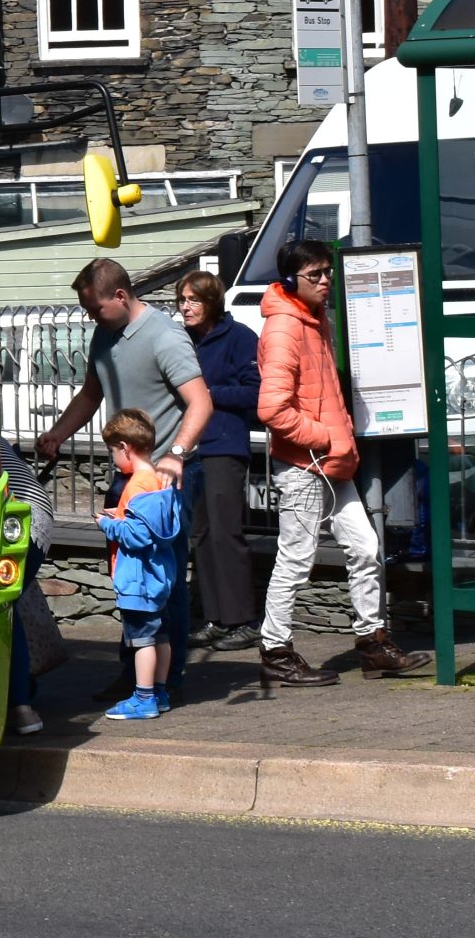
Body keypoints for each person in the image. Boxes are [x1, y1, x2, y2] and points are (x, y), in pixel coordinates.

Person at [255, 238, 432, 684]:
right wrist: (327, 438)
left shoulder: (316, 321)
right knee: (295, 559)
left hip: (330, 466)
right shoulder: (284, 329)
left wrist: (333, 443)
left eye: (327, 272)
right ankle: (275, 650)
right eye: (314, 275)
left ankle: (372, 644)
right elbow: (272, 409)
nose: (325, 280)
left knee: (367, 549)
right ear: (291, 280)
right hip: (304, 466)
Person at [35, 256, 213, 695]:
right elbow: (92, 393)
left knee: (161, 580)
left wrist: (175, 454)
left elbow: (201, 402)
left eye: (95, 308)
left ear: (120, 295)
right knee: (131, 577)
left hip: (166, 479)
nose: (91, 316)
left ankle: (163, 681)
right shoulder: (105, 333)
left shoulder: (165, 337)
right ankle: (137, 674)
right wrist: (58, 433)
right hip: (130, 475)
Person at [176, 270, 262, 653]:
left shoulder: (240, 337)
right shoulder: (180, 341)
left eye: (193, 300)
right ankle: (214, 618)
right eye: (181, 299)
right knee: (201, 535)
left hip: (225, 444)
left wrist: (206, 394)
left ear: (212, 302)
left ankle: (242, 621)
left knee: (227, 533)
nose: (185, 307)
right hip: (190, 448)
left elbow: (255, 392)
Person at [97, 408, 184, 721]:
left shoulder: (135, 486)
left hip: (138, 578)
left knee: (142, 640)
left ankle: (143, 697)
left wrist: (107, 524)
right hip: (160, 575)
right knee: (160, 636)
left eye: (112, 452)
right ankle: (159, 691)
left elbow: (136, 536)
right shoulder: (162, 480)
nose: (113, 459)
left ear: (125, 448)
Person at [0, 433, 54, 736]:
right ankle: (21, 692)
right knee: (8, 602)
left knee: (2, 603)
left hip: (20, 519)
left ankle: (21, 705)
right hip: (27, 513)